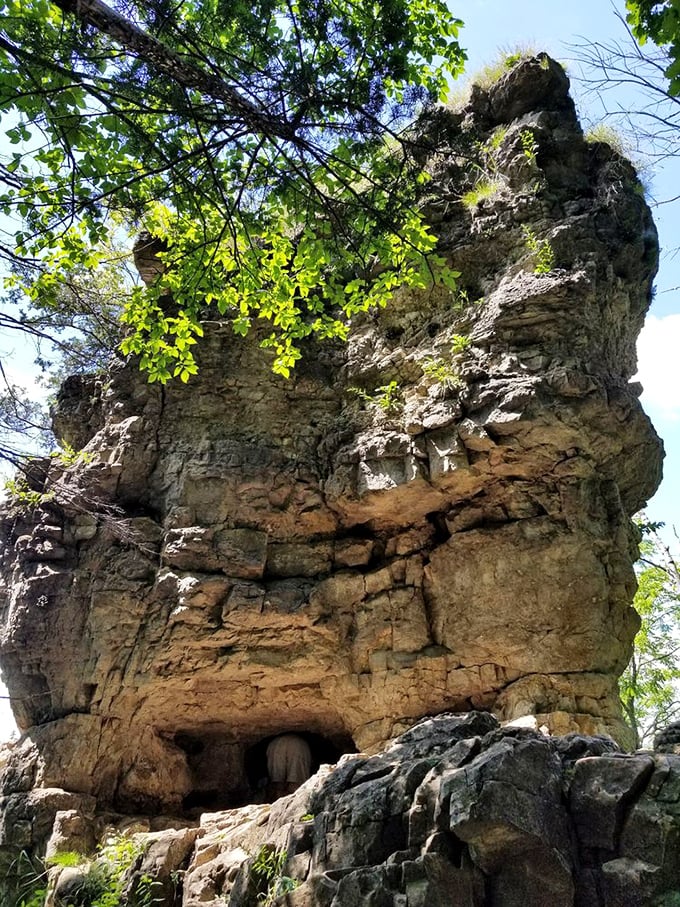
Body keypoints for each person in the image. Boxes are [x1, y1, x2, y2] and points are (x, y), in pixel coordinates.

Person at [266, 733, 312, 800]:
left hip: (275, 744)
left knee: (277, 784)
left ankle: (276, 804)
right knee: (295, 785)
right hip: (298, 744)